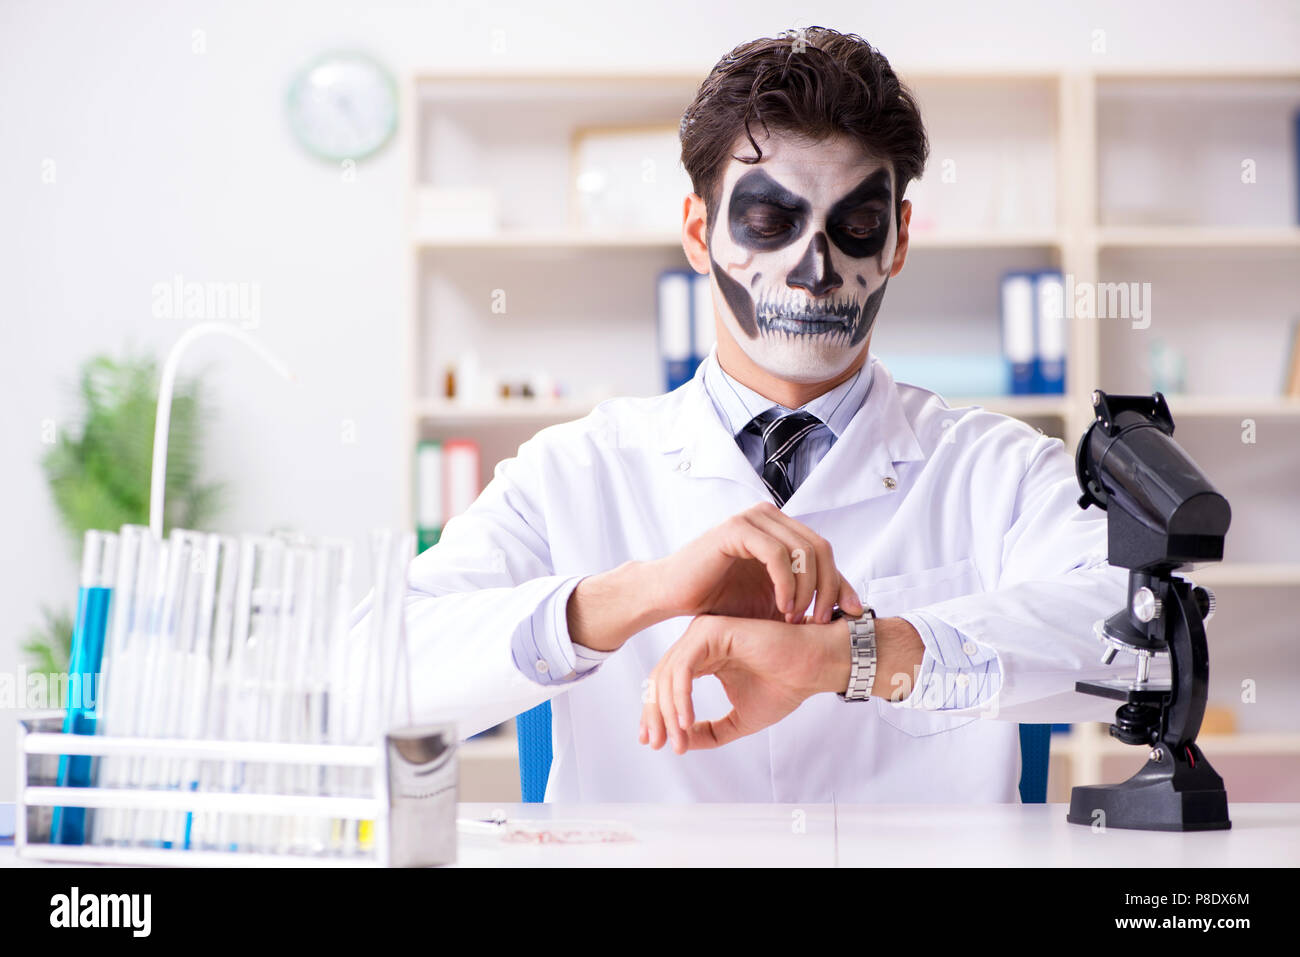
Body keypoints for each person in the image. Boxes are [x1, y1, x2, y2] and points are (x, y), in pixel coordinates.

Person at [353, 26, 1147, 803]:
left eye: (857, 226)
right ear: (699, 235)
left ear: (900, 241)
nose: (816, 271)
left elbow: (1157, 644)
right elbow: (364, 683)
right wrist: (638, 594)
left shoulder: (998, 467)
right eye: (770, 222)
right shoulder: (570, 472)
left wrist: (853, 656)